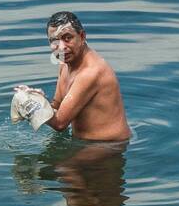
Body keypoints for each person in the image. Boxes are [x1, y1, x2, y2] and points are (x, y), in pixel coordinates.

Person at [15, 11, 131, 142]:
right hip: (86, 143)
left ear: (82, 36)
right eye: (54, 41)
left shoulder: (90, 72)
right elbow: (57, 106)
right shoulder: (64, 63)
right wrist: (38, 99)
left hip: (108, 146)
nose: (61, 48)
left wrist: (33, 107)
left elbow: (60, 123)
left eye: (67, 38)